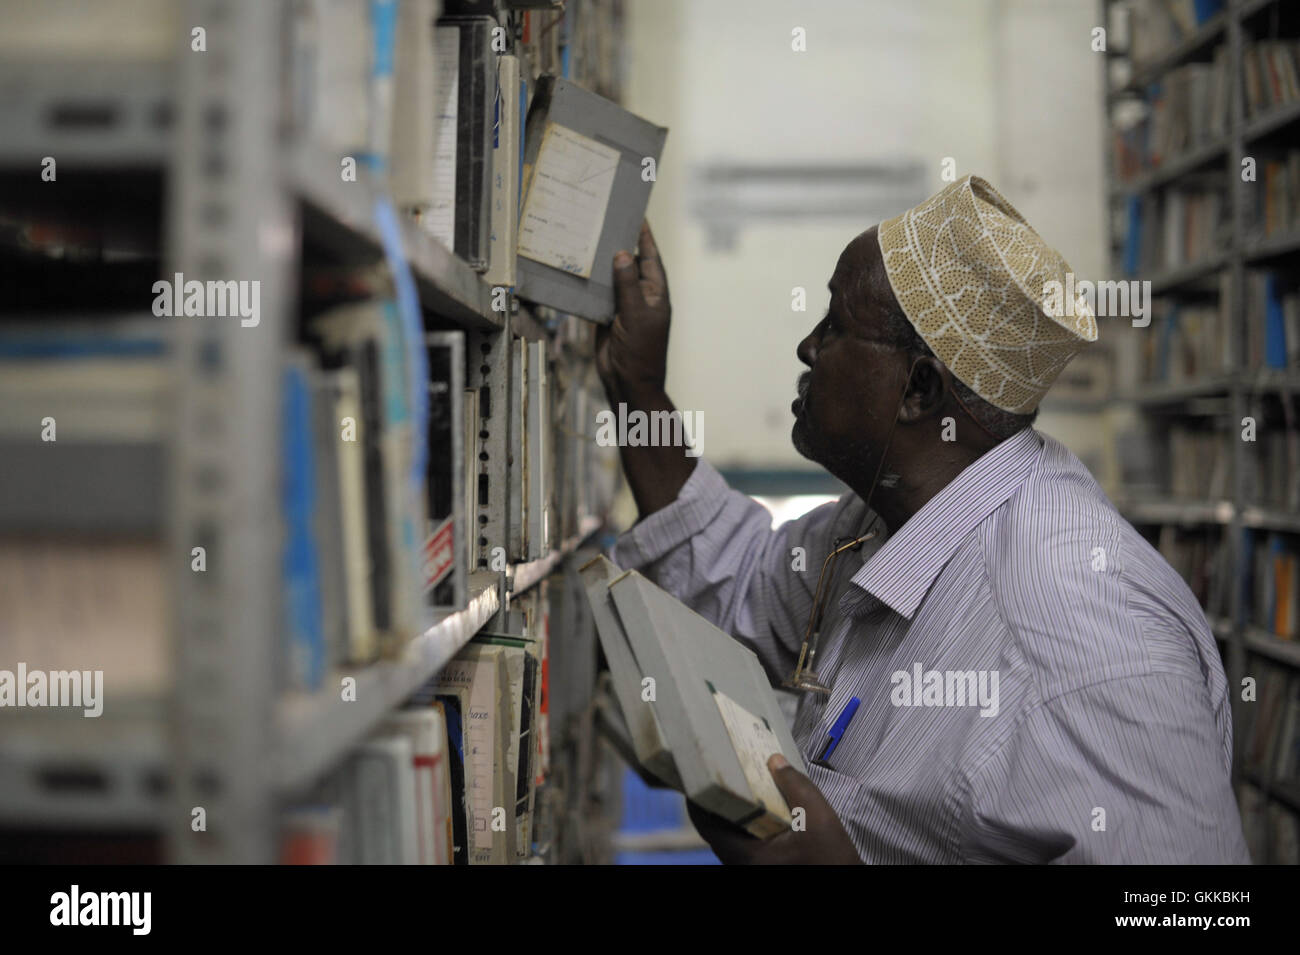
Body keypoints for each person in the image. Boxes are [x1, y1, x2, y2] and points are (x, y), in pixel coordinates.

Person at [596, 175, 1251, 864]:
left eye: (835, 326)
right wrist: (636, 386)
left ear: (918, 388)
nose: (807, 349)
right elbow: (735, 576)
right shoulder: (885, 518)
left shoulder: (1079, 631)